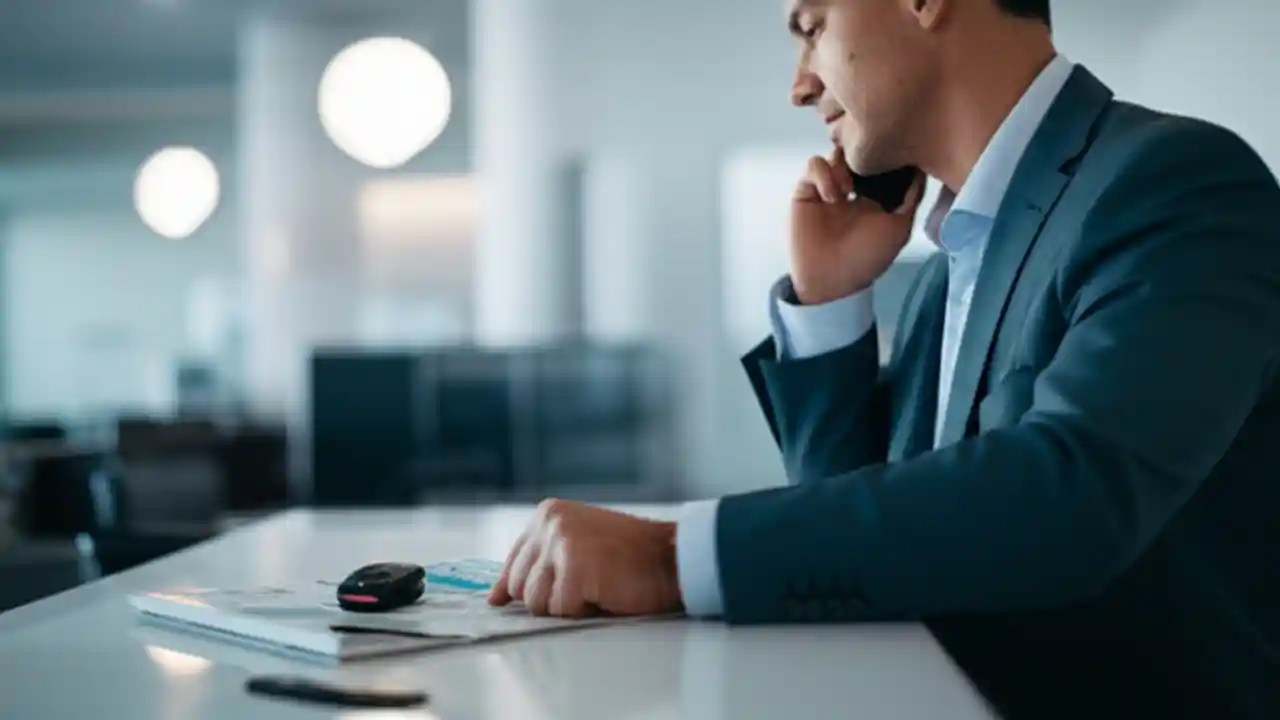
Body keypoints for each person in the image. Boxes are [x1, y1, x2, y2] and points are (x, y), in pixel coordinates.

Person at [489, 0, 1280, 716]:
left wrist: (670, 555)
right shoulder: (954, 262)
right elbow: (876, 551)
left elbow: (1074, 492)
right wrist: (829, 306)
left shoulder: (1173, 182)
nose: (799, 87)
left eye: (812, 28)